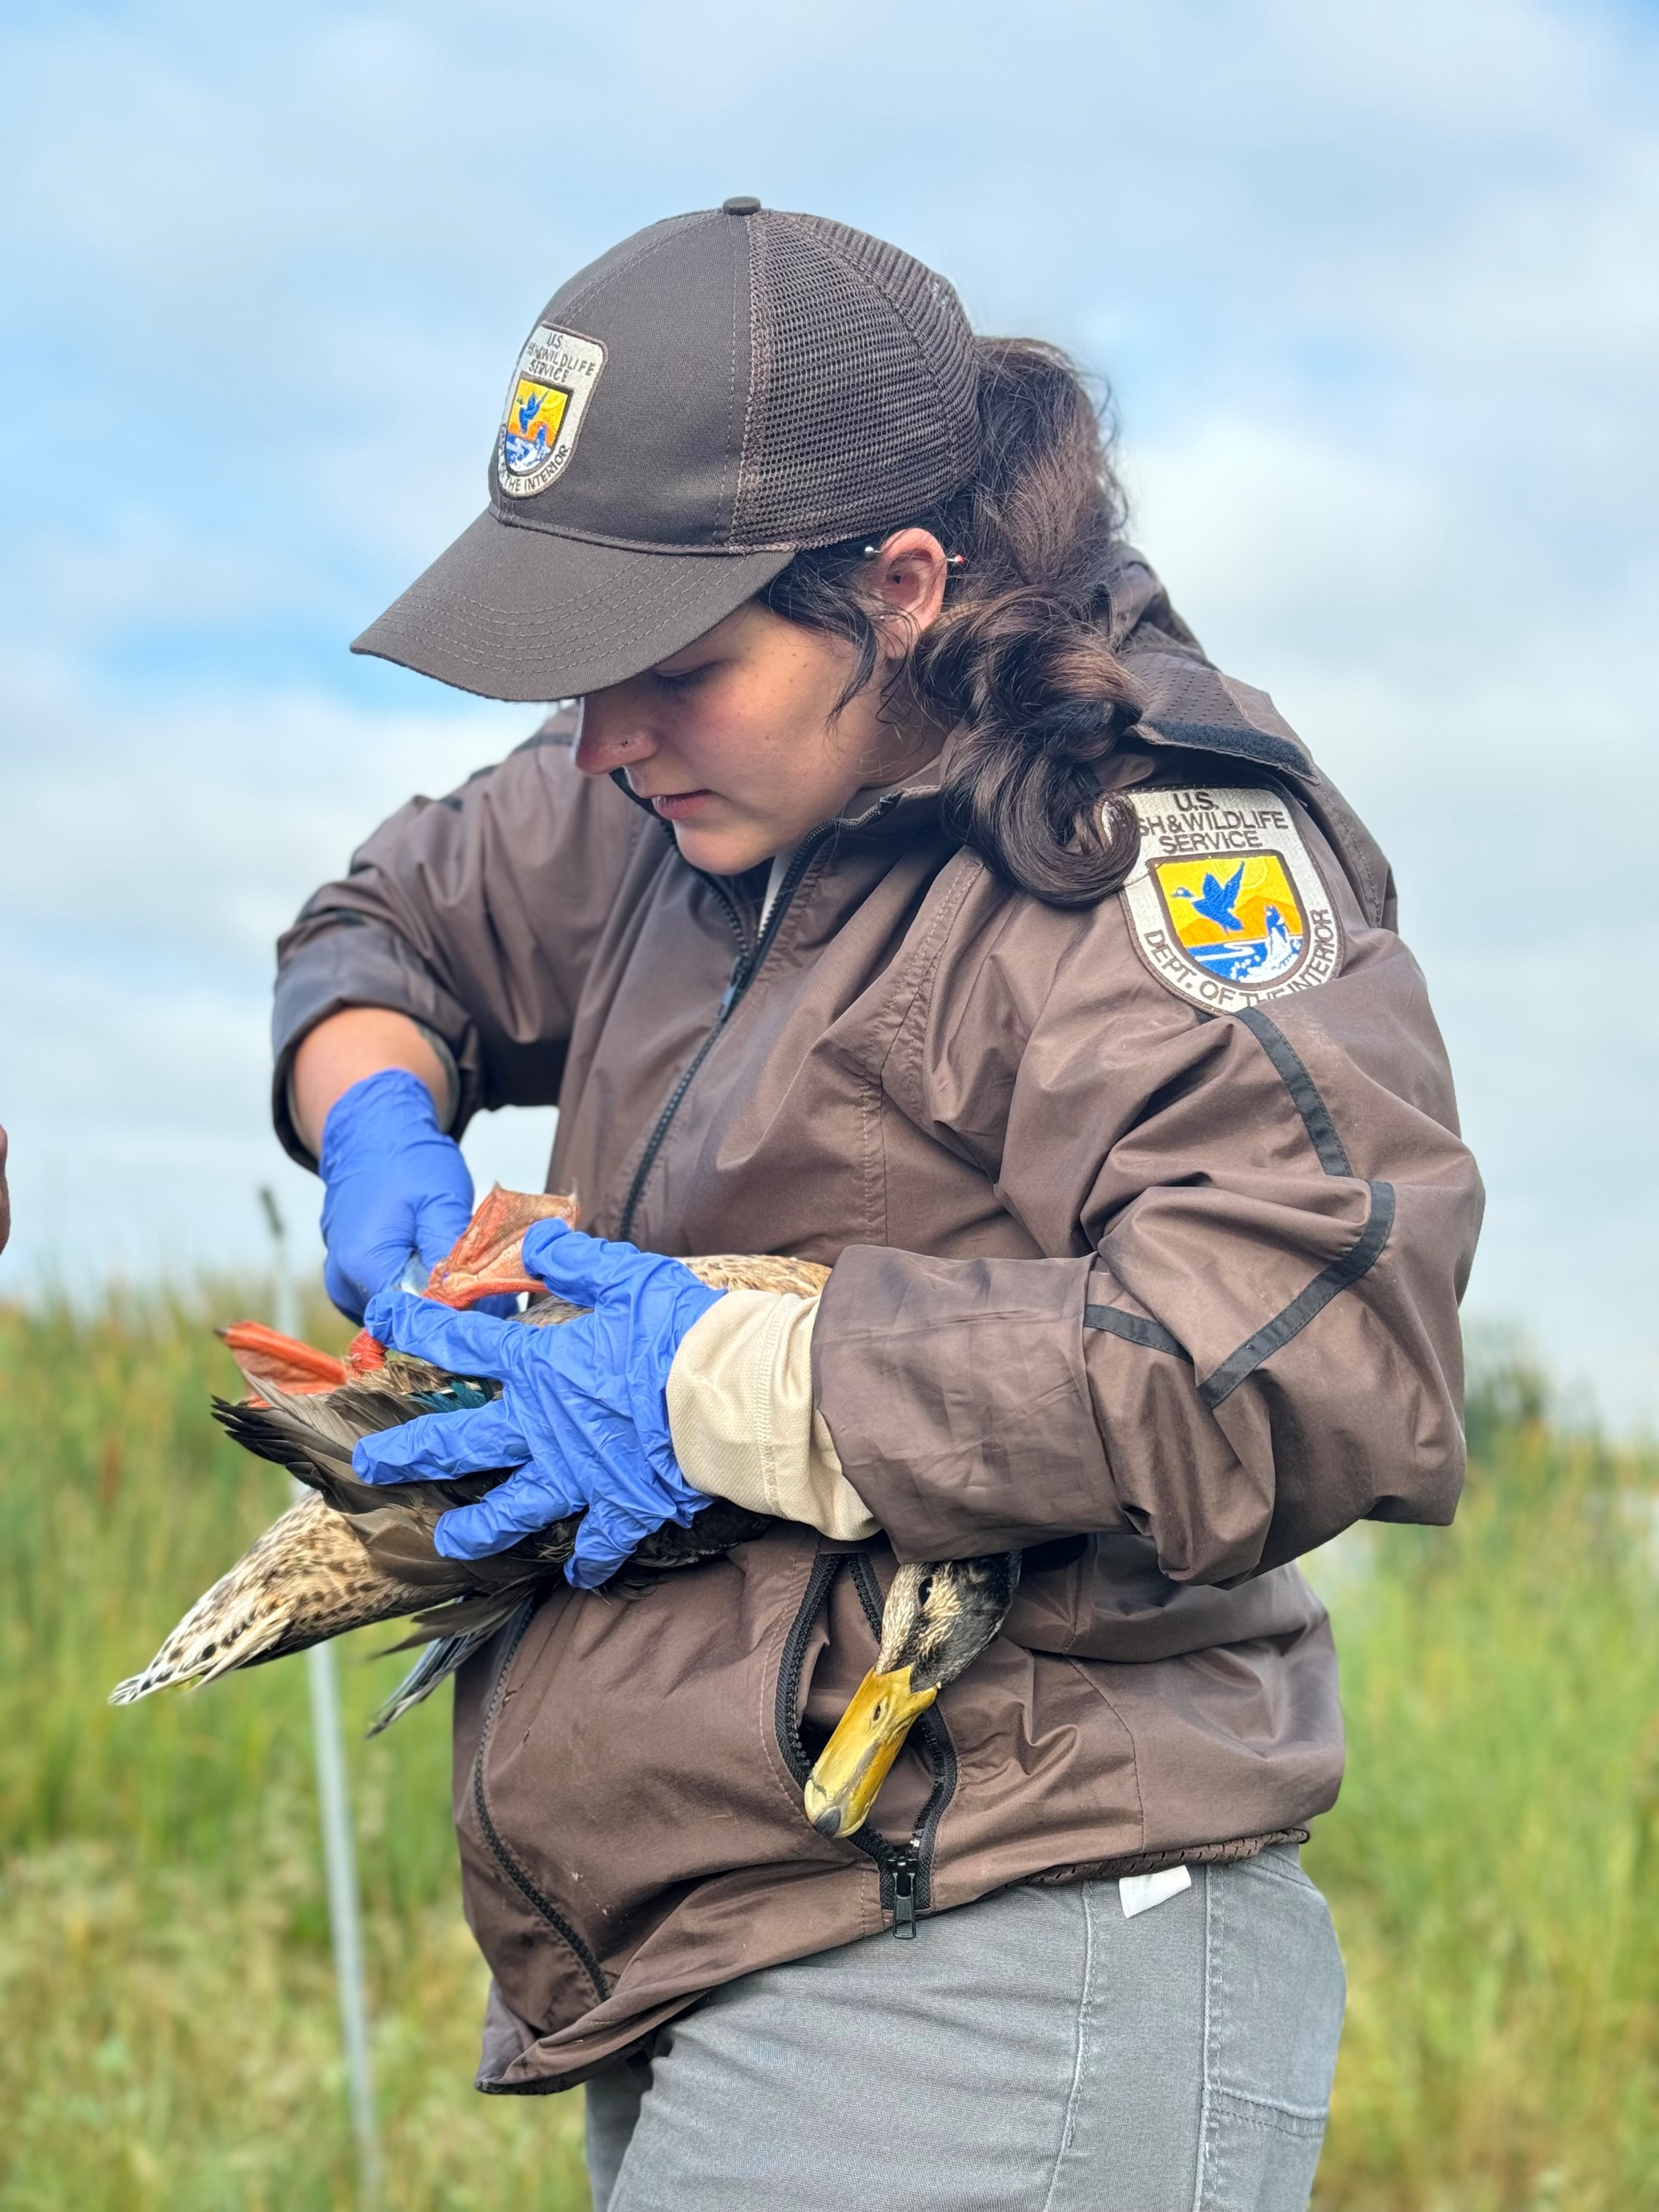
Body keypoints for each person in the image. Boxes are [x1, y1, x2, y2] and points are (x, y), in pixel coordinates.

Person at [274, 203, 1481, 2212]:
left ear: (900, 589)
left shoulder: (1149, 855)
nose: (600, 740)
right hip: (717, 1944)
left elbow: (1316, 1356)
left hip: (1003, 1956)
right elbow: (383, 929)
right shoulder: (669, 788)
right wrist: (386, 1131)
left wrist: (713, 1380)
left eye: (668, 669)